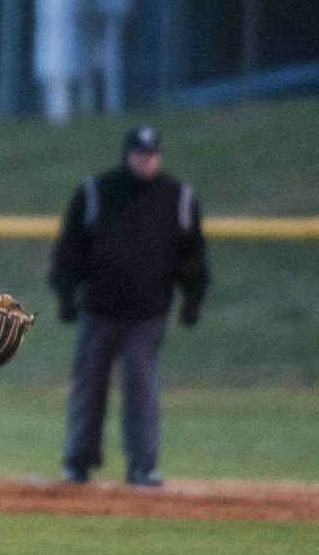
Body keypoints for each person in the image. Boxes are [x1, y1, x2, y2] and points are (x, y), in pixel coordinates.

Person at [49, 126, 210, 487]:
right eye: (140, 153)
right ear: (127, 154)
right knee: (88, 387)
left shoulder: (177, 196)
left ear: (159, 156)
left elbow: (192, 254)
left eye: (151, 154)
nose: (146, 160)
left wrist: (192, 298)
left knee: (142, 387)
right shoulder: (97, 191)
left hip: (148, 311)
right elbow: (70, 248)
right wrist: (65, 294)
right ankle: (78, 460)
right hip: (99, 308)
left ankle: (143, 465)